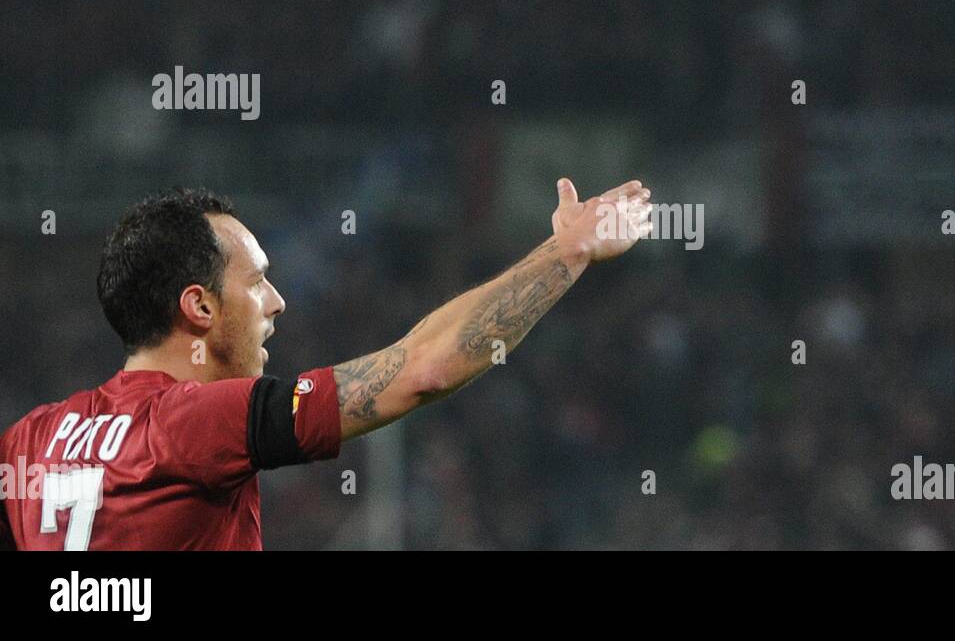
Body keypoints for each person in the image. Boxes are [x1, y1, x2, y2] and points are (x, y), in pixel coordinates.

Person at [0, 179, 651, 550]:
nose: (276, 304)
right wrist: (567, 254)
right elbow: (421, 370)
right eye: (256, 282)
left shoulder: (30, 439)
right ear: (197, 305)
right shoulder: (195, 423)